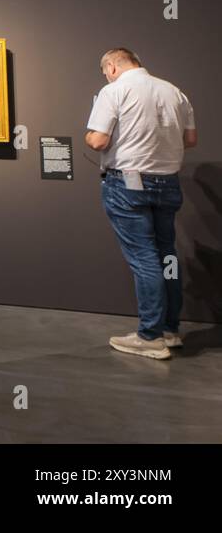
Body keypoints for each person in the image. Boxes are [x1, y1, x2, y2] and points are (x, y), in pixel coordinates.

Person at [85, 47, 197, 361]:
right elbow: (190, 140)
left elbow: (98, 141)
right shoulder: (174, 91)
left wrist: (93, 136)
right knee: (166, 254)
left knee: (144, 259)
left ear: (111, 66)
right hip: (168, 180)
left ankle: (149, 336)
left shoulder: (113, 91)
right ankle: (170, 330)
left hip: (128, 182)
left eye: (105, 70)